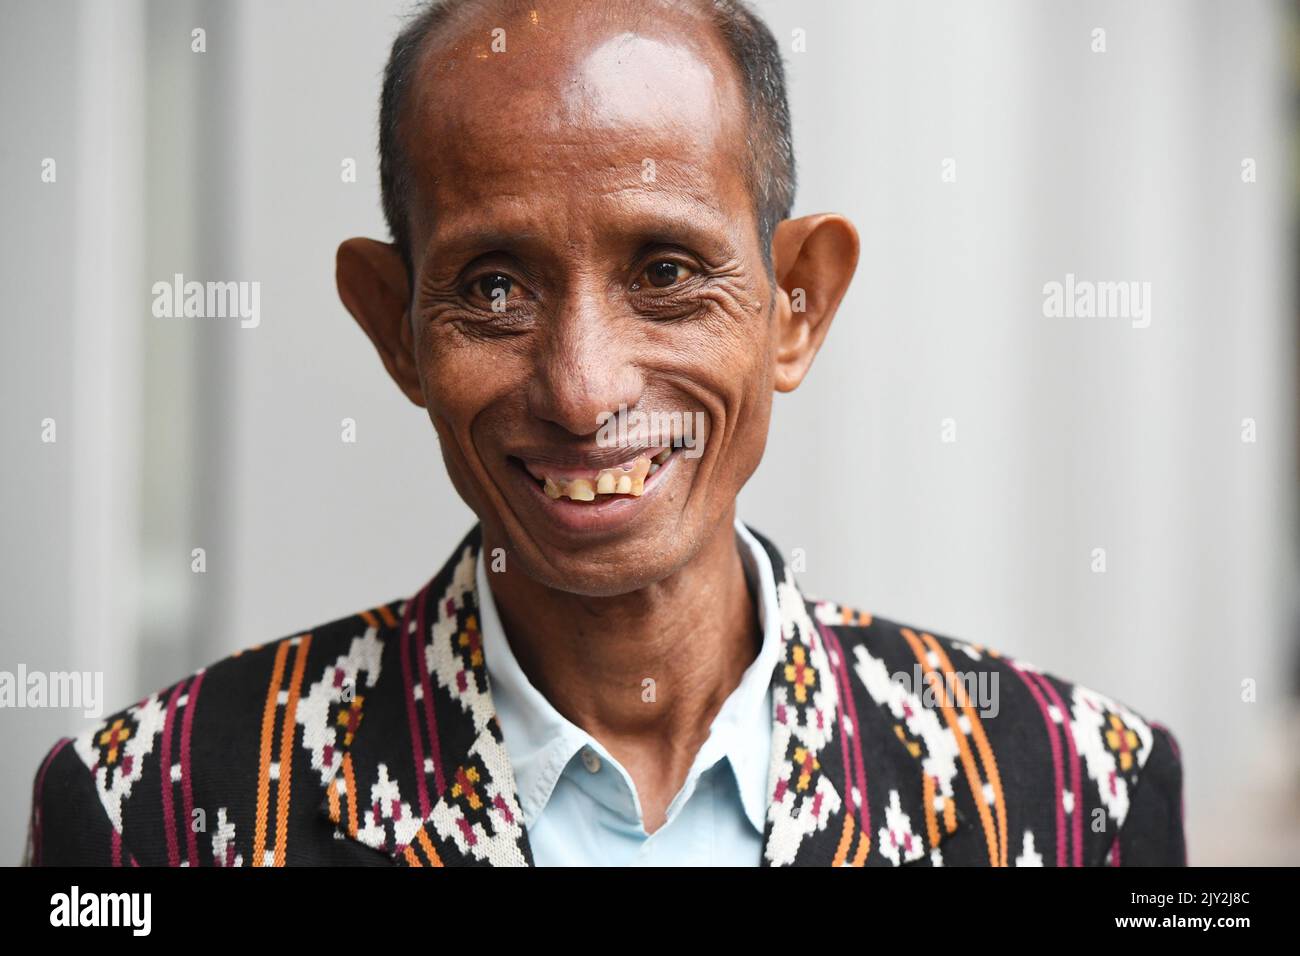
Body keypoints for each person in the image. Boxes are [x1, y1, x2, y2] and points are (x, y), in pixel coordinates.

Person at [26, 0, 1185, 867]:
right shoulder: (152, 813)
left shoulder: (1073, 790)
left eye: (667, 271)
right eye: (491, 287)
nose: (583, 392)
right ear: (395, 328)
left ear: (797, 305)